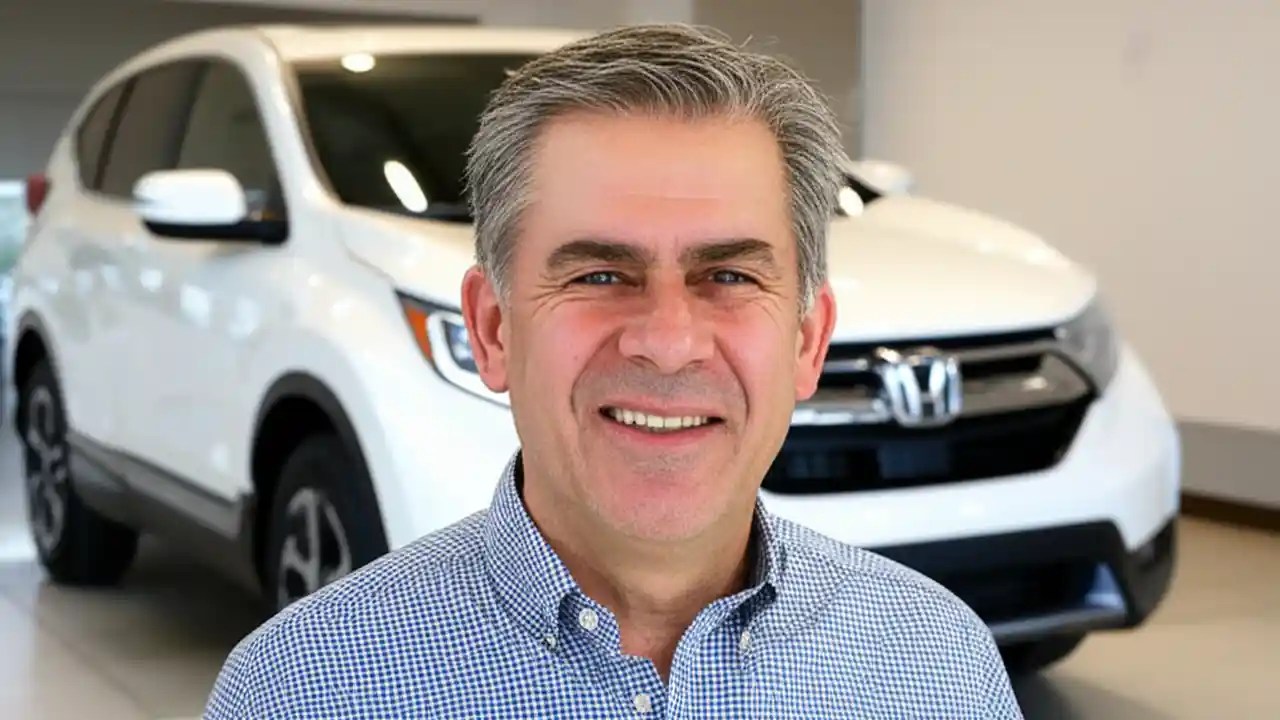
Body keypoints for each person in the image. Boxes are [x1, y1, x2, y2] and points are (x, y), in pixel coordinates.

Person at [204, 23, 1022, 719]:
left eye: (729, 275)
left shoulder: (943, 668)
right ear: (493, 329)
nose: (668, 341)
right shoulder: (300, 692)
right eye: (600, 275)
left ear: (808, 341)